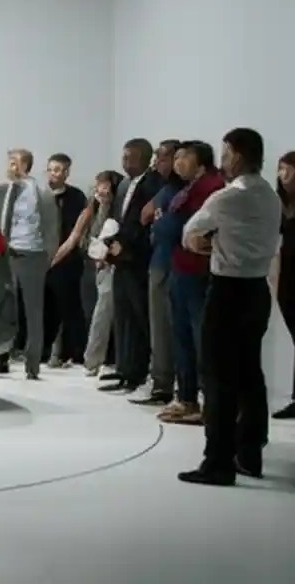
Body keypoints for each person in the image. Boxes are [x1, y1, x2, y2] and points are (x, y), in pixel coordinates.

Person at [177, 128, 282, 486]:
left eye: (225, 152)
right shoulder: (271, 197)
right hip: (257, 291)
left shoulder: (225, 199)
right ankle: (249, 452)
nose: (222, 159)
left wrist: (204, 246)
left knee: (218, 378)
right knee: (250, 374)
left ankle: (218, 461)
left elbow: (190, 232)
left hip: (227, 292)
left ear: (236, 154)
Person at [158, 141, 224, 425]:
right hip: (180, 269)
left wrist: (166, 222)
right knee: (183, 338)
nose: (177, 161)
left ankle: (212, 404)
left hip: (199, 273)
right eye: (177, 157)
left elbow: (195, 229)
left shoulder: (212, 187)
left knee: (202, 340)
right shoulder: (185, 188)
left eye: (184, 156)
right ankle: (187, 399)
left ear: (202, 161)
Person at [0, 149, 60, 380]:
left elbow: (52, 228)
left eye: (15, 163)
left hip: (32, 255)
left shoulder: (39, 192)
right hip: (7, 255)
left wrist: (47, 257)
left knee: (33, 312)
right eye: (9, 162)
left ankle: (33, 364)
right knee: (4, 309)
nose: (10, 167)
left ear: (25, 165)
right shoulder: (0, 192)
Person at [99, 138, 163, 395]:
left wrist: (125, 245)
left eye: (131, 157)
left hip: (138, 259)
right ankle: (124, 368)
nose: (125, 162)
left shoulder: (154, 185)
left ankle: (140, 371)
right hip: (119, 258)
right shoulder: (124, 184)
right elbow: (118, 219)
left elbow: (142, 224)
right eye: (124, 157)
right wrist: (110, 242)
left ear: (146, 159)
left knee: (140, 317)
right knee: (123, 314)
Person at [131, 139, 183, 406]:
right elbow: (145, 214)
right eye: (158, 157)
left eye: (165, 157)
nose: (158, 163)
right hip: (159, 261)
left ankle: (173, 387)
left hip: (178, 265)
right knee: (159, 327)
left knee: (175, 329)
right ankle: (162, 383)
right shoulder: (166, 189)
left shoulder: (187, 190)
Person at [59, 170, 124, 376]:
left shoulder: (118, 209)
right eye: (98, 185)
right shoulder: (91, 208)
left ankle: (93, 360)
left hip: (110, 266)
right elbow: (75, 237)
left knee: (103, 314)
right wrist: (52, 262)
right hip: (90, 266)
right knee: (92, 312)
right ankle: (96, 358)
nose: (100, 189)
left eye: (105, 185)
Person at [42, 153, 88, 367]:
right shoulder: (38, 195)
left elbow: (75, 233)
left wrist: (57, 255)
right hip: (39, 260)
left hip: (67, 260)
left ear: (67, 172)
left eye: (59, 169)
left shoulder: (76, 197)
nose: (55, 173)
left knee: (70, 307)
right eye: (51, 169)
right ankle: (42, 352)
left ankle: (75, 353)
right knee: (44, 308)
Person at [270, 151, 295, 420]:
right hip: (287, 278)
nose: (281, 175)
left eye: (287, 169)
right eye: (280, 169)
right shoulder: (279, 205)